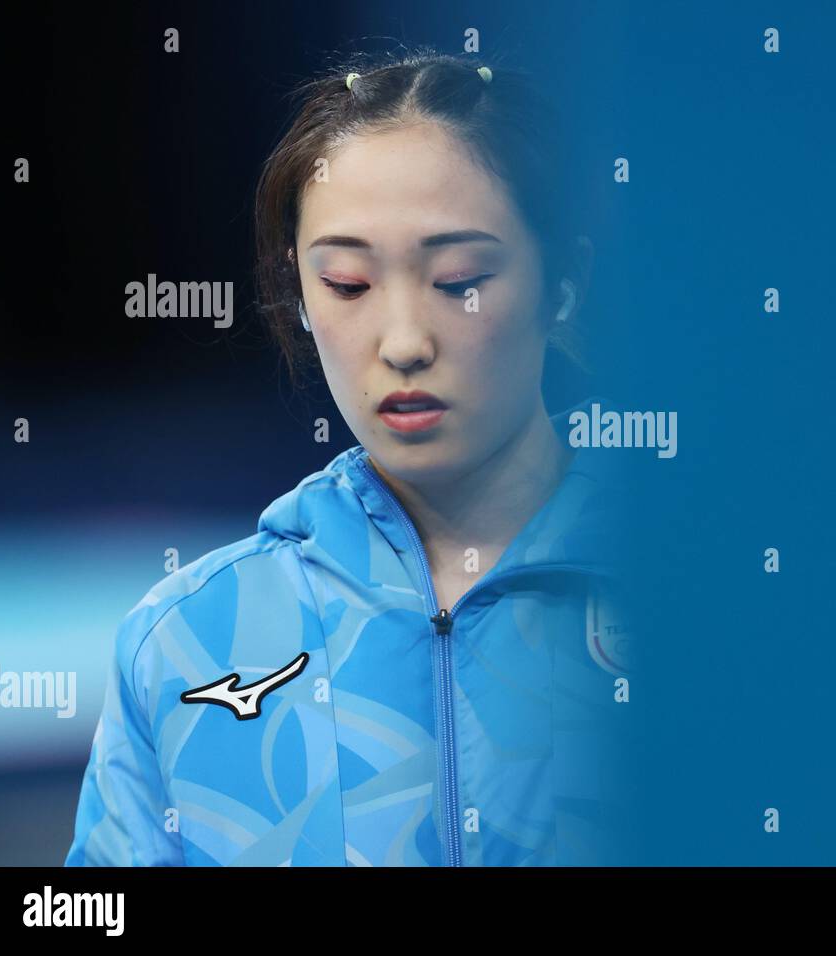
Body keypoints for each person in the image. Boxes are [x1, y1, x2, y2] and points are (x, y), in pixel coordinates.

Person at [64, 49, 636, 866]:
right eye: (347, 284)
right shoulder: (184, 641)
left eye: (460, 278)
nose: (404, 343)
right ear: (297, 295)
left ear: (564, 281)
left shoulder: (708, 597)